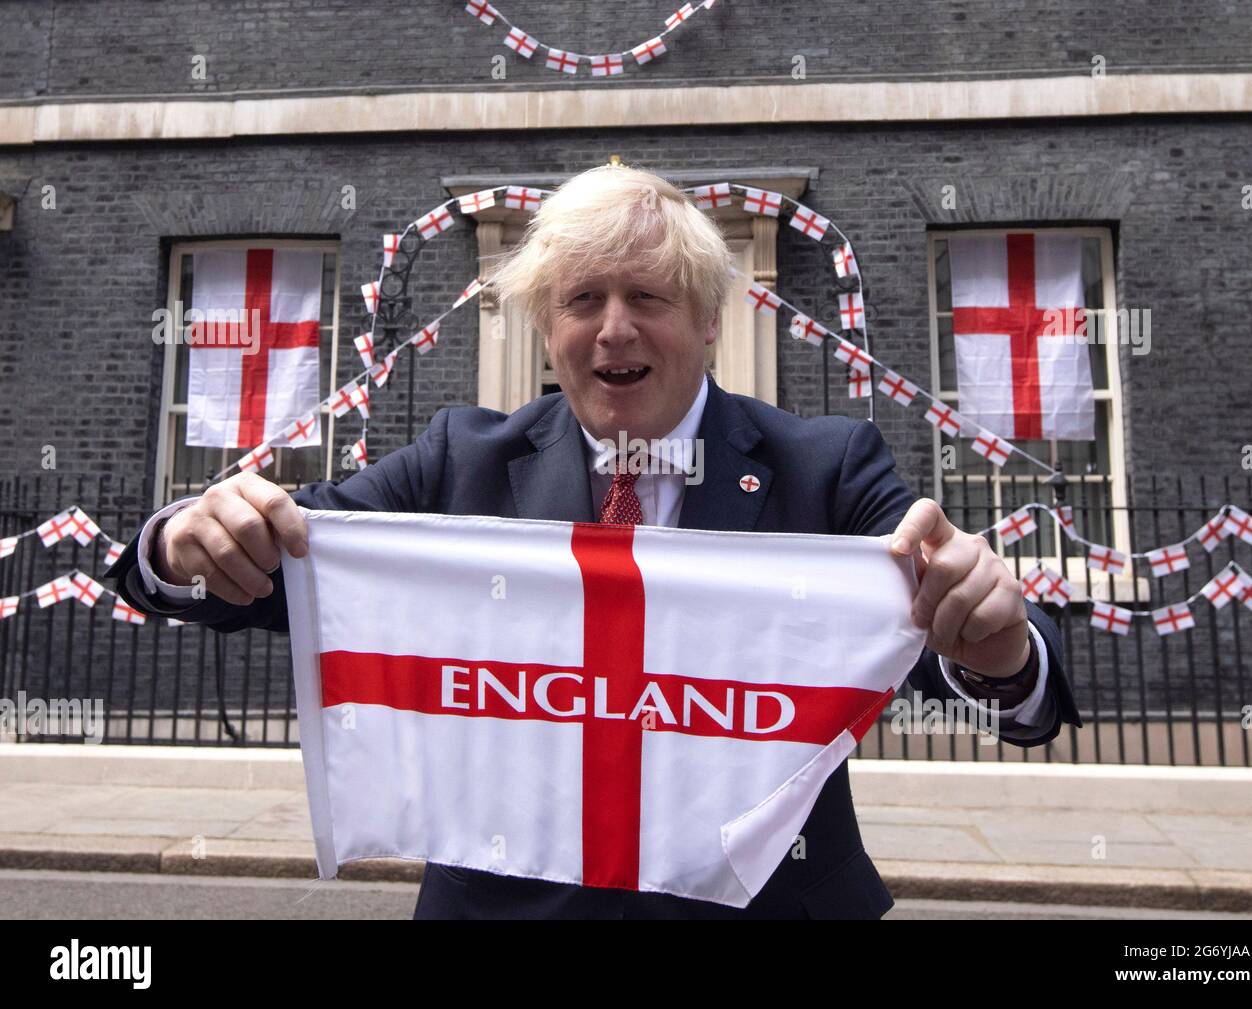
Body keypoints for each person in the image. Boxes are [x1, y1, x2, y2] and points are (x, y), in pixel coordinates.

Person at [108, 164, 1081, 919]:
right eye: (581, 301)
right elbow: (283, 561)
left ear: (706, 319)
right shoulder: (461, 463)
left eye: (648, 297)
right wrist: (188, 538)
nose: (613, 330)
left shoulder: (823, 469)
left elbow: (999, 682)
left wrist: (999, 646)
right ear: (545, 327)